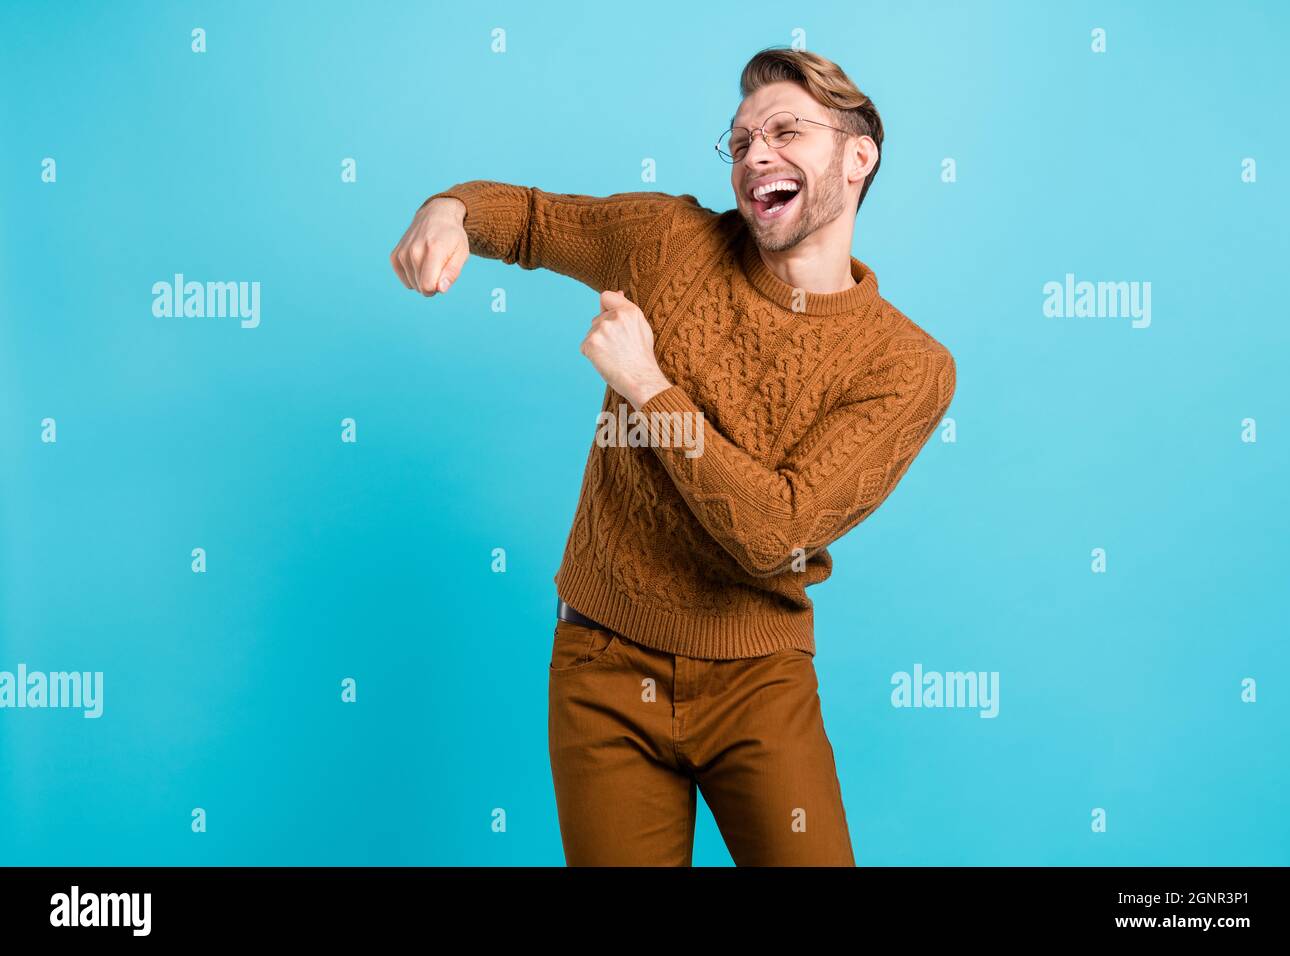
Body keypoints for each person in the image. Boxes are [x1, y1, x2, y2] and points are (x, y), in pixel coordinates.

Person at [389, 47, 956, 866]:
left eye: (786, 130)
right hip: (603, 665)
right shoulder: (667, 243)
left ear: (858, 155)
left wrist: (648, 385)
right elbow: (535, 220)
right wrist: (448, 212)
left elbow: (776, 533)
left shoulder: (906, 367)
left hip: (759, 680)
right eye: (741, 140)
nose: (756, 153)